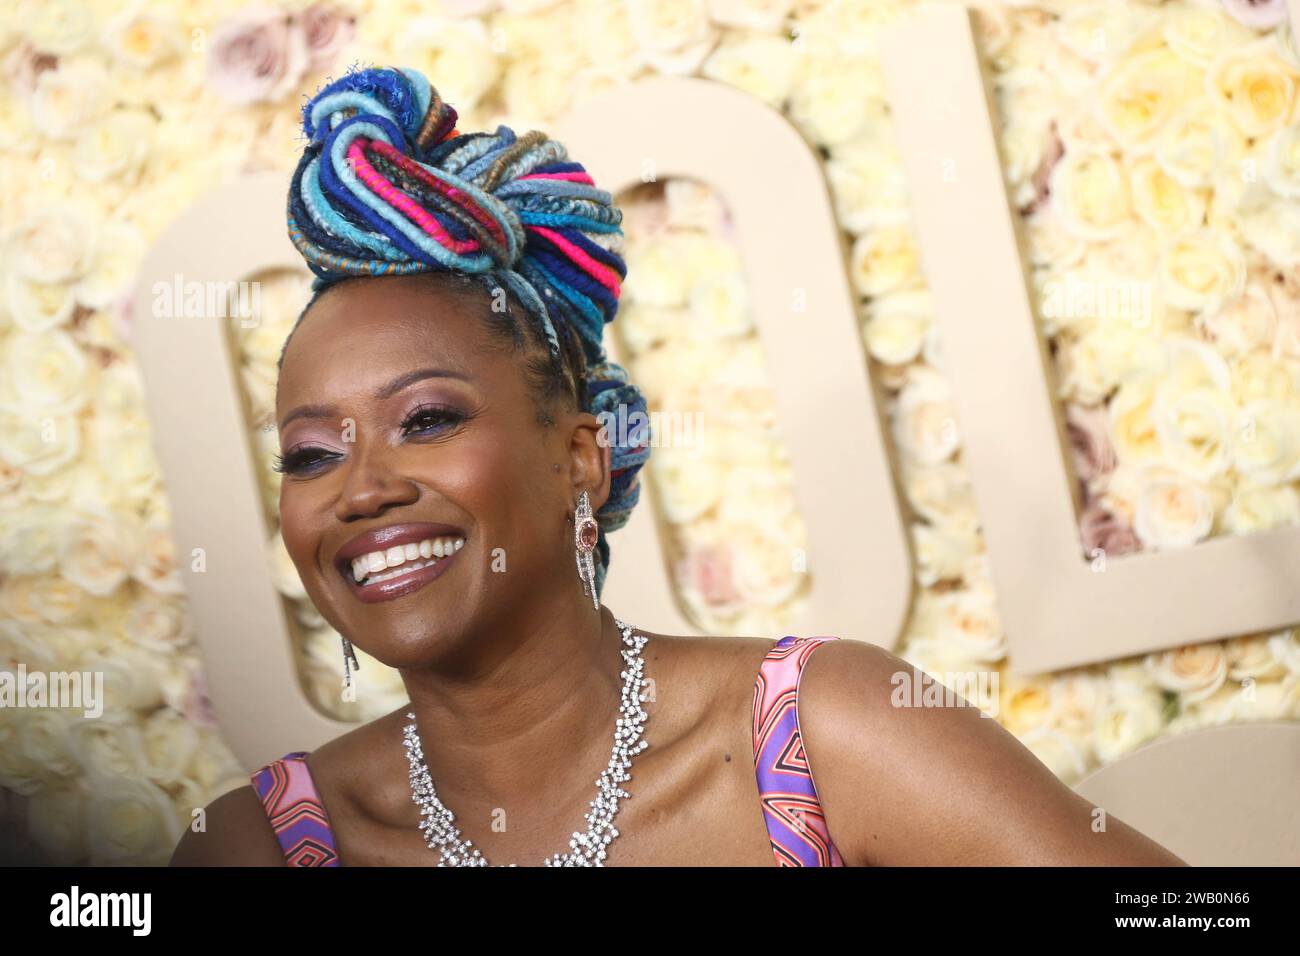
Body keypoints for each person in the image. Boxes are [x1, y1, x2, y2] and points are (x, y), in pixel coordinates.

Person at [171, 65, 1186, 867]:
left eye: (425, 419)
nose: (362, 487)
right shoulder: (260, 848)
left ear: (581, 459)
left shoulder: (817, 737)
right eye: (310, 452)